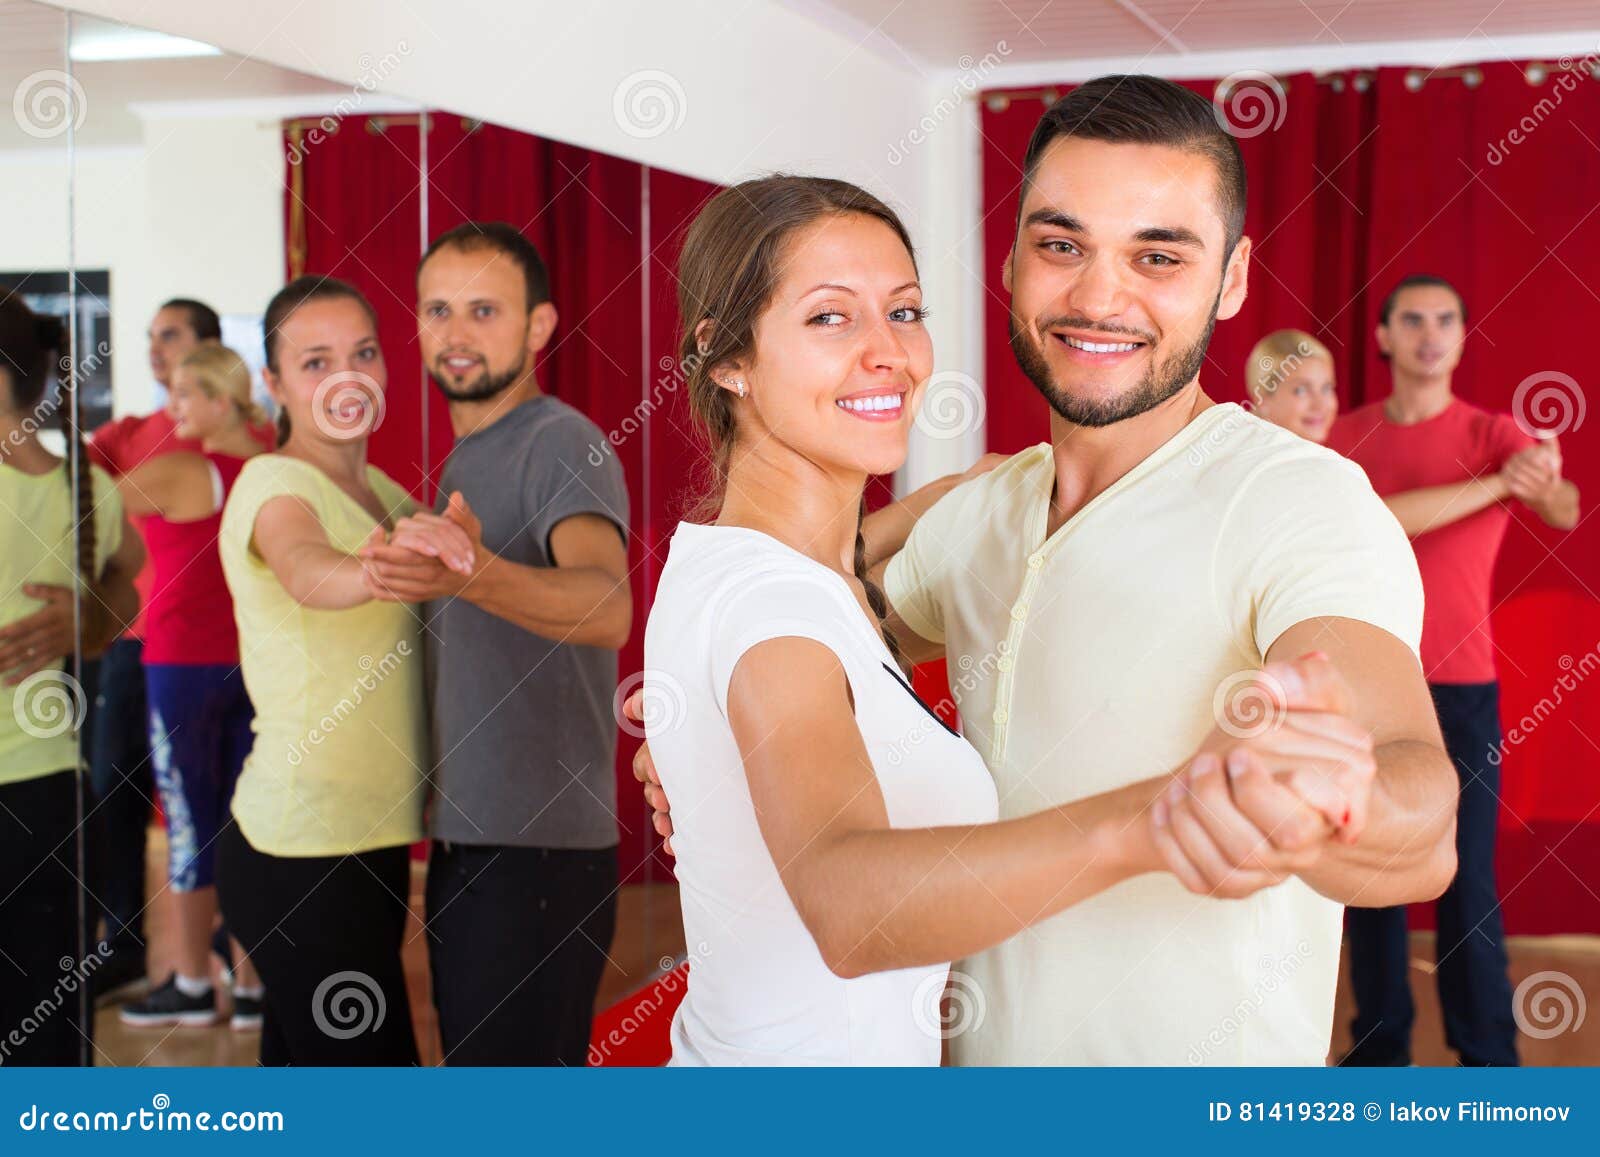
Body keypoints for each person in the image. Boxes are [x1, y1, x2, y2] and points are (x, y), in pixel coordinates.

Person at [637, 76, 1462, 1066]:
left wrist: (1323, 793)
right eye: (1061, 245)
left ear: (1233, 278)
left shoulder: (1296, 502)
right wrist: (708, 746)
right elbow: (812, 658)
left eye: (1157, 255)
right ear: (1014, 253)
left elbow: (1422, 817)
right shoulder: (978, 515)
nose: (1097, 297)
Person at [357, 222, 631, 1066]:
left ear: (539, 326)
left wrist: (469, 572)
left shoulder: (559, 441)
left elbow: (608, 605)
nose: (457, 332)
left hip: (538, 856)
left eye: (484, 309)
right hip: (479, 840)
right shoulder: (471, 455)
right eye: (439, 310)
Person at [1329, 274, 1581, 1067]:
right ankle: (1378, 1049)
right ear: (1384, 337)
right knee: (1372, 875)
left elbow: (1566, 507)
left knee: (1467, 881)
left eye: (1446, 319)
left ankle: (1488, 1057)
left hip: (1462, 689)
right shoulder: (1344, 435)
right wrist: (1498, 486)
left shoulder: (1493, 433)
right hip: (1368, 681)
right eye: (1413, 320)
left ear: (1462, 337)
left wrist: (1539, 480)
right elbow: (1362, 522)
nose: (1430, 333)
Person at [216, 276, 448, 1065]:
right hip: (302, 851)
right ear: (274, 384)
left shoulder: (384, 492)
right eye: (316, 362)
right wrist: (376, 573)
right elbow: (306, 567)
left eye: (363, 354)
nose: (346, 378)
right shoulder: (272, 483)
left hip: (370, 842)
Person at [0, 289, 142, 1064]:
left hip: (35, 796)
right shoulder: (86, 490)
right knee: (45, 1034)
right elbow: (129, 573)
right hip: (53, 799)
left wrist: (85, 621)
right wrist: (89, 618)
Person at [112, 344, 264, 1031]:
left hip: (179, 669)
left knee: (186, 824)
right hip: (250, 667)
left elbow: (83, 512)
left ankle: (194, 984)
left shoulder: (180, 468)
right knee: (244, 822)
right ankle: (255, 983)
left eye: (182, 396)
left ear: (220, 400)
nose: (171, 410)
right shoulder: (267, 466)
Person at [1248, 324, 1529, 537]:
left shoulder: (1317, 463)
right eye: (1300, 389)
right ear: (1263, 400)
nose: (1321, 404)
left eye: (1327, 388)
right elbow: (1376, 520)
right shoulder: (1268, 472)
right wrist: (1503, 483)